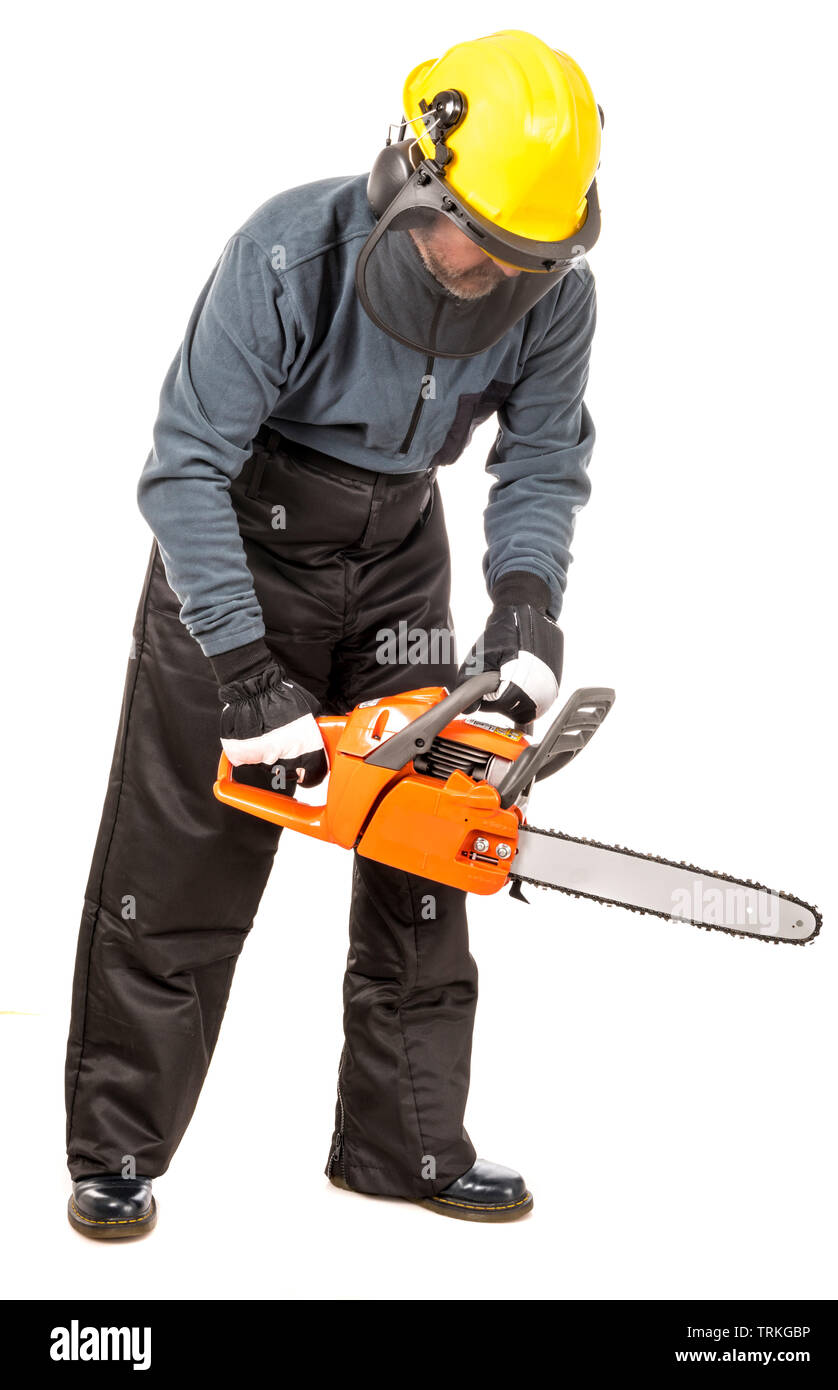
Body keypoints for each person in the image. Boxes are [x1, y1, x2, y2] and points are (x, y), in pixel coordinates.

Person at [65, 28, 602, 1238]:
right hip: (241, 565)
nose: (506, 275)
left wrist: (523, 605)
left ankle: (400, 1145)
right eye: (489, 243)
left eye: (533, 254)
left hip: (401, 572)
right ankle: (116, 1150)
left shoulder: (550, 291)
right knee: (186, 866)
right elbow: (184, 469)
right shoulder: (285, 253)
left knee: (430, 848)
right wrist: (247, 679)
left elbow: (543, 458)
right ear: (409, 178)